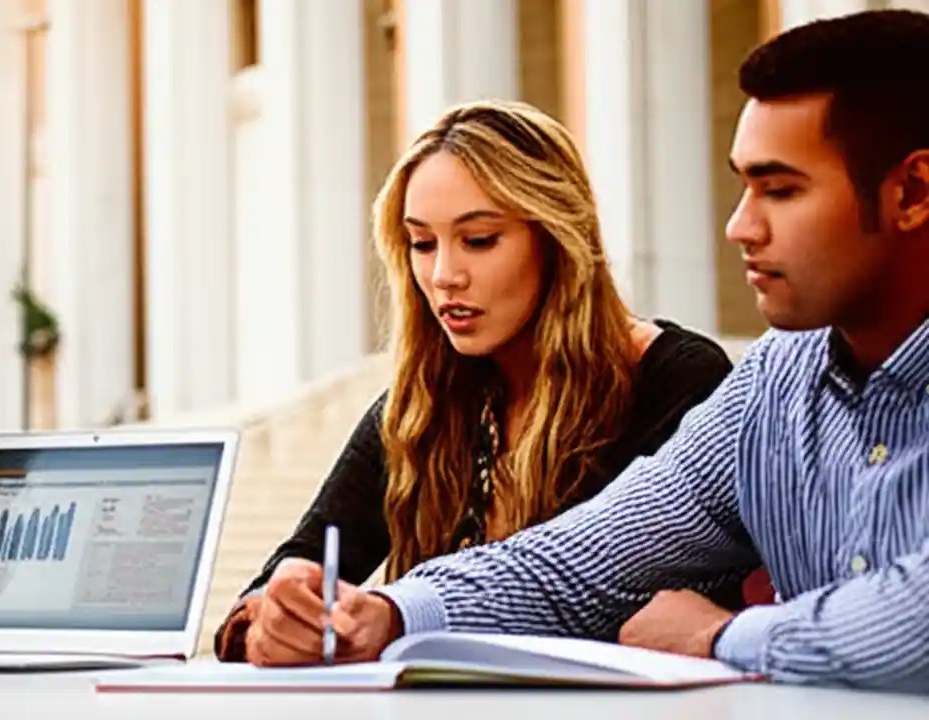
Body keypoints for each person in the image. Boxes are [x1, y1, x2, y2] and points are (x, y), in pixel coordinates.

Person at [254, 10, 929, 693]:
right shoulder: (773, 384)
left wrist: (716, 637)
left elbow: (913, 618)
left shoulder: (680, 374)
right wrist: (390, 613)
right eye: (421, 243)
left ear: (913, 192)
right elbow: (583, 560)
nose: (738, 227)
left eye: (780, 190)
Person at [214, 99, 734, 663]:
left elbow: (602, 590)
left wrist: (390, 616)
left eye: (480, 239)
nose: (444, 276)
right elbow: (283, 577)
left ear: (557, 241)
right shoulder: (416, 409)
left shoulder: (678, 379)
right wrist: (275, 617)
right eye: (422, 243)